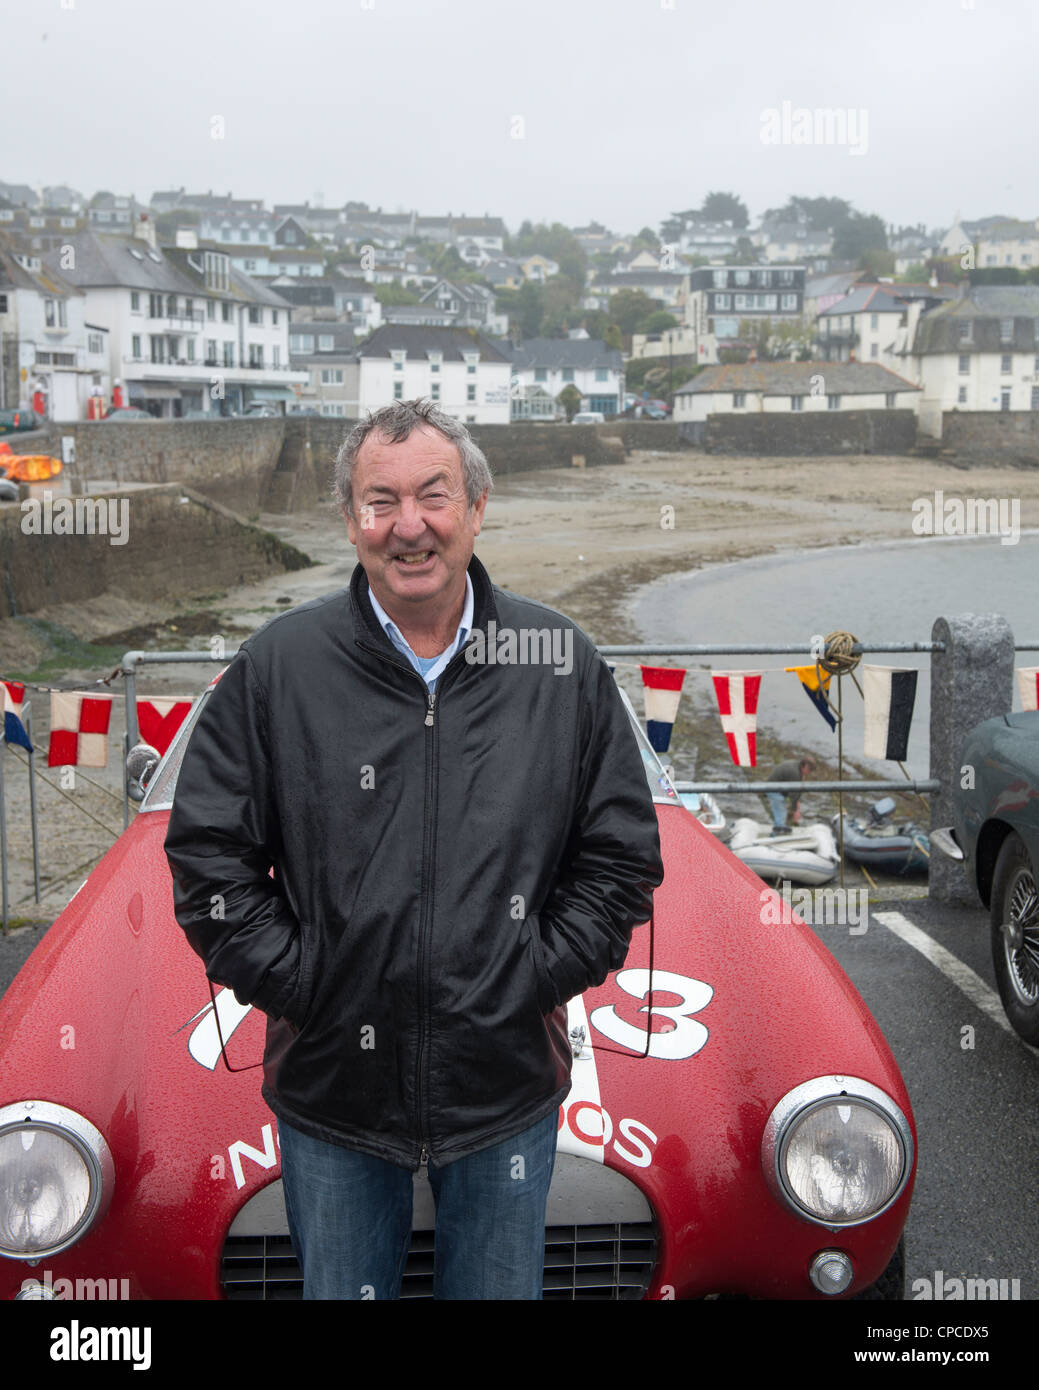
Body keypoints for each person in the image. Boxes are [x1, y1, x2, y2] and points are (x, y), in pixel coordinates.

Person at [163, 397, 664, 1301]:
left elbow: (619, 855)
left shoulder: (559, 662)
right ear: (351, 520)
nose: (409, 528)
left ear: (476, 504)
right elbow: (209, 860)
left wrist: (533, 974)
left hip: (503, 1086)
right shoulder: (278, 667)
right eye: (379, 501)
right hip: (332, 1096)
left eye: (432, 496)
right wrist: (307, 982)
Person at [761, 756, 816, 833]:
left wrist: (798, 802)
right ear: (805, 767)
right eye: (810, 770)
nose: (810, 773)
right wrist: (795, 811)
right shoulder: (795, 773)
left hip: (780, 788)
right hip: (773, 788)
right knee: (781, 810)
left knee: (783, 808)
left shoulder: (798, 766)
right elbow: (793, 794)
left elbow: (797, 790)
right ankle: (779, 829)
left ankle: (780, 826)